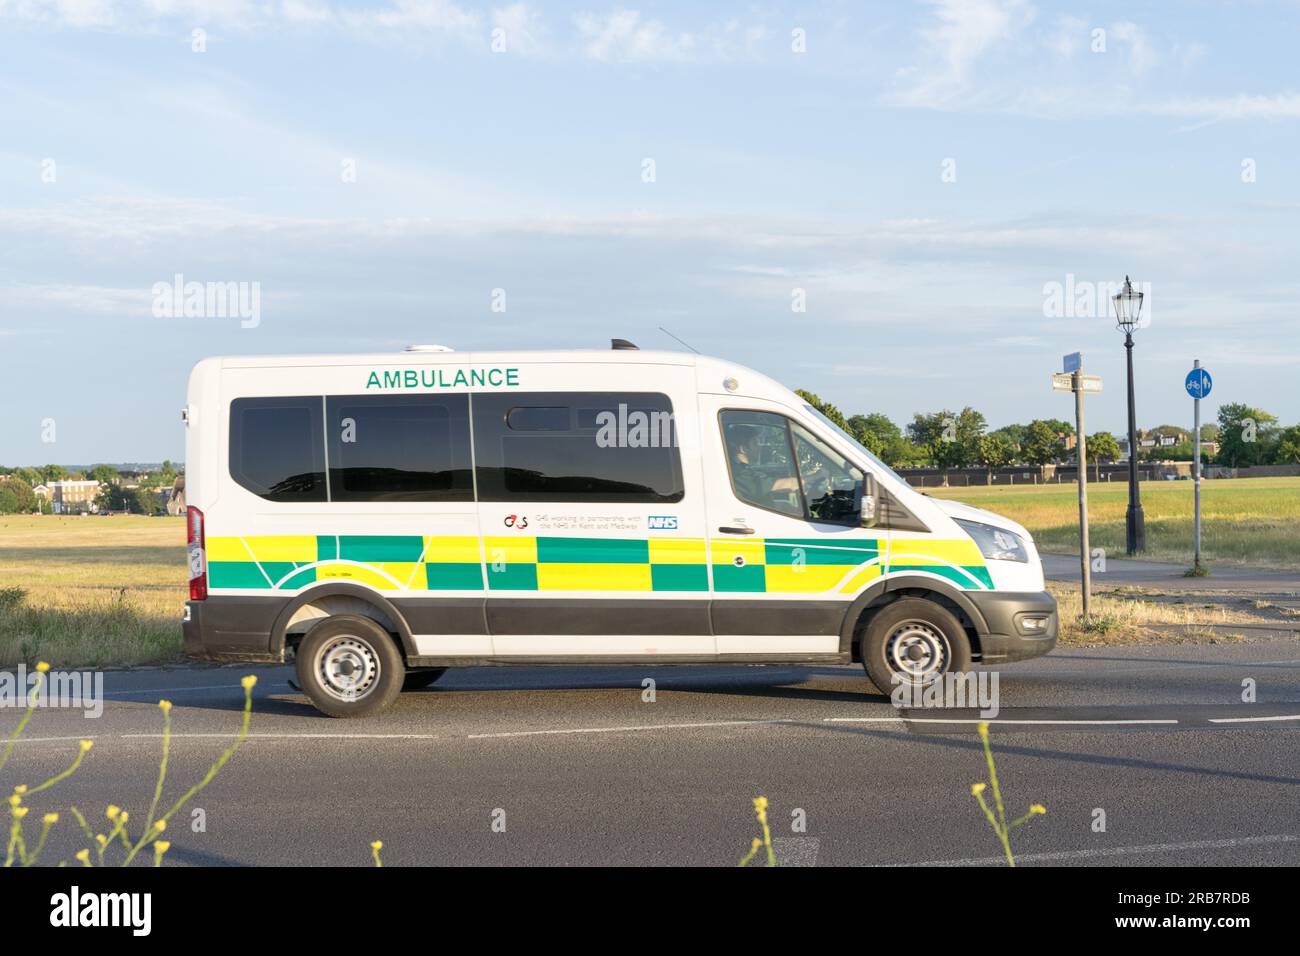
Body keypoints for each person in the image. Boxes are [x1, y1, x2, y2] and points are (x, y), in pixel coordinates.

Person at [724, 423, 801, 504]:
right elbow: (778, 485)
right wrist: (809, 479)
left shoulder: (741, 468)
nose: (759, 447)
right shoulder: (738, 474)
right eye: (755, 443)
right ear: (743, 449)